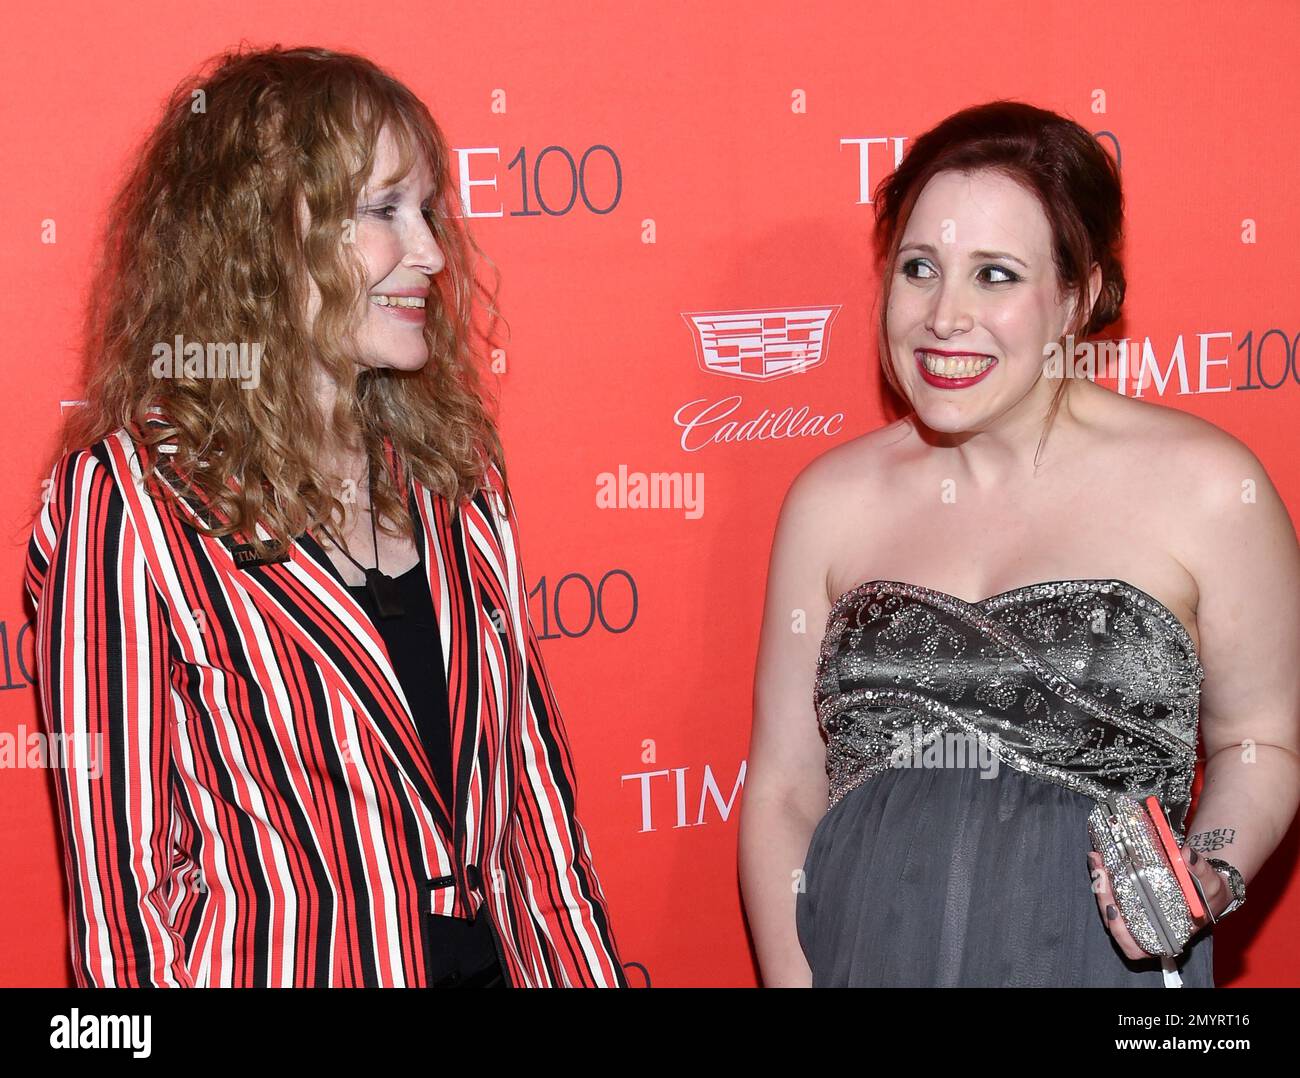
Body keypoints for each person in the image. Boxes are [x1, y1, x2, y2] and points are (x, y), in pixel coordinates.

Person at [25, 45, 625, 988]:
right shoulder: (130, 502)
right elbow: (123, 915)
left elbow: (539, 825)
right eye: (384, 211)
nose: (430, 250)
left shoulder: (452, 474)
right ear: (263, 235)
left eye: (426, 211)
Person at [739, 100, 1300, 987]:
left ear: (1076, 298)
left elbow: (1263, 743)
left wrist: (1212, 872)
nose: (943, 316)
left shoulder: (1208, 487)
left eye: (995, 276)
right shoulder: (829, 502)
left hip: (1099, 966)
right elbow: (781, 792)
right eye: (920, 268)